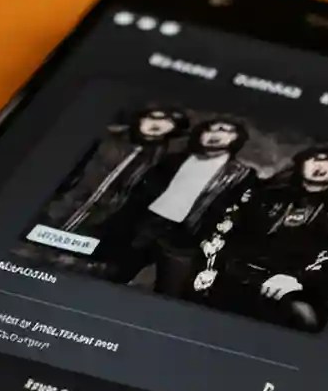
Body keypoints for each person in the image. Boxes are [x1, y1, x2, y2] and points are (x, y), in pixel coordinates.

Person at [188, 143, 328, 332]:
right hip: (236, 275)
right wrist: (210, 268)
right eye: (315, 158)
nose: (321, 166)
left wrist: (299, 280)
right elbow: (223, 230)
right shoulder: (264, 194)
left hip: (302, 289)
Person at [94, 117, 256, 287]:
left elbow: (234, 212)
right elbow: (139, 192)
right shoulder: (172, 160)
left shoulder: (240, 174)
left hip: (186, 236)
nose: (214, 134)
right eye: (209, 129)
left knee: (169, 287)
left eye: (223, 129)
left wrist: (207, 239)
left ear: (237, 137)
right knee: (113, 274)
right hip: (146, 225)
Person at [54, 107, 190, 235]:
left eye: (170, 122)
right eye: (154, 117)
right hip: (63, 200)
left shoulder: (158, 156)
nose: (159, 124)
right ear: (141, 117)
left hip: (99, 216)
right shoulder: (109, 136)